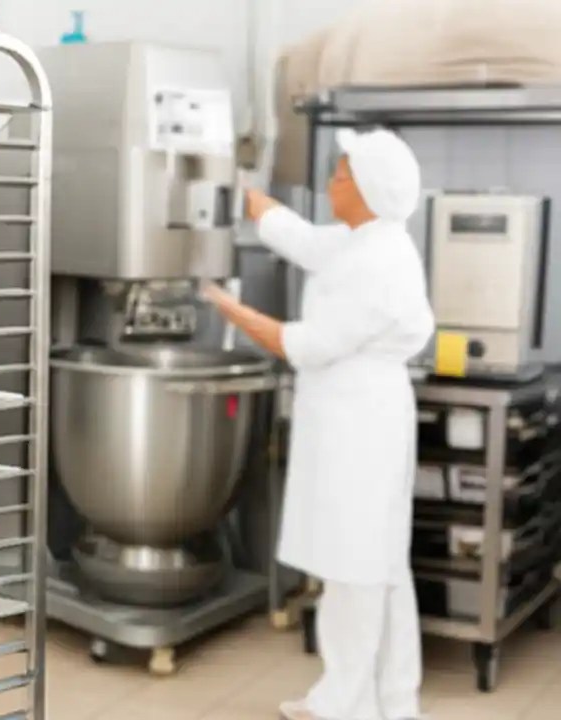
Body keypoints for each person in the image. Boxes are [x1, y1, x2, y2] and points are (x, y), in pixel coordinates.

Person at [202, 128, 435, 720]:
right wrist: (255, 200)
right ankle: (382, 699)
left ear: (367, 190)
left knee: (356, 566)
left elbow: (300, 344)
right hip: (353, 418)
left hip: (362, 425)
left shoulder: (377, 262)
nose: (330, 181)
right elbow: (305, 240)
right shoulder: (366, 240)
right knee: (371, 563)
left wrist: (229, 307)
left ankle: (351, 707)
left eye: (339, 174)